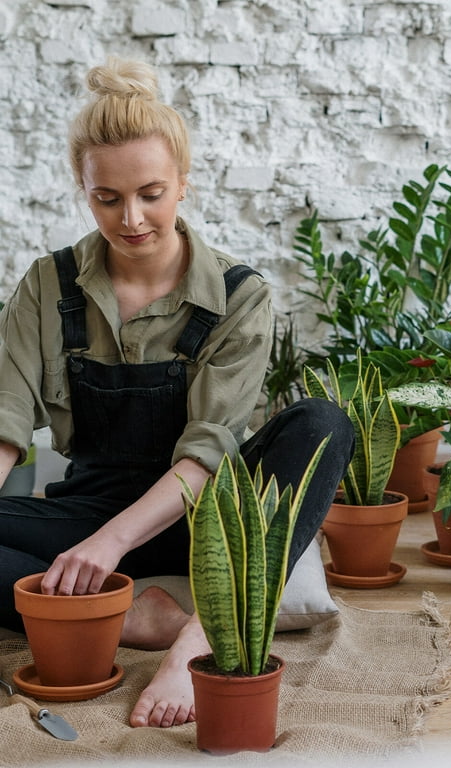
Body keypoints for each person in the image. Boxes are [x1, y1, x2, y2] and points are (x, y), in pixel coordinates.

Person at [0, 57, 354, 728]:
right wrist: (97, 535)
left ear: (184, 185)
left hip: (208, 518)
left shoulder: (238, 297)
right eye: (108, 198)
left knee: (323, 421)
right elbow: (7, 424)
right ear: (84, 189)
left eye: (151, 193)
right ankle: (135, 616)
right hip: (92, 507)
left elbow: (206, 455)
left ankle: (201, 638)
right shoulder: (47, 287)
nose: (131, 218)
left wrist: (108, 547)